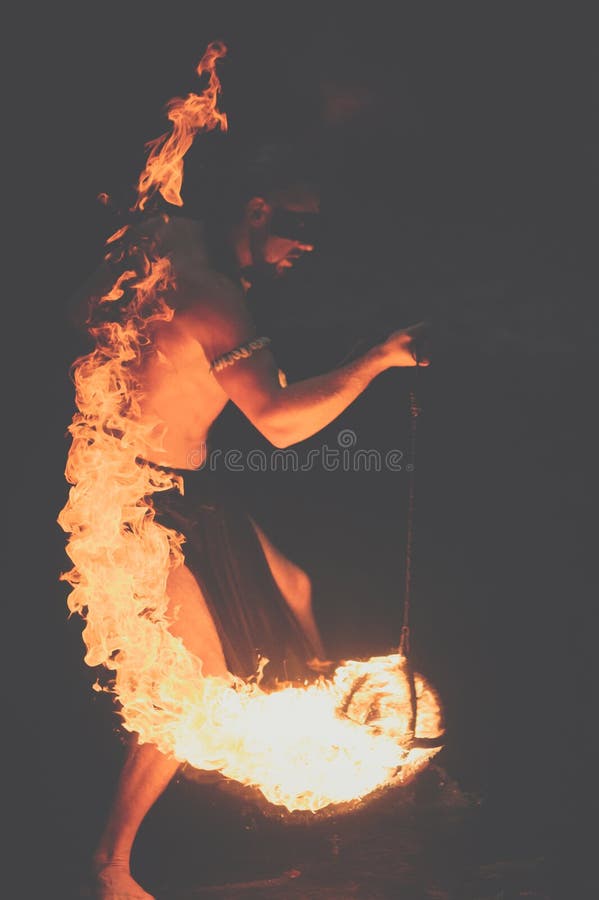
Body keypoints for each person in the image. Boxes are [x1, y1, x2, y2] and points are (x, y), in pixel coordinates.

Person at [73, 142, 429, 899]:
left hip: (181, 489)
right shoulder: (214, 298)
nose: (306, 246)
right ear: (256, 210)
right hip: (139, 503)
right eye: (299, 226)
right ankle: (108, 864)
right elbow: (276, 421)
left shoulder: (173, 268)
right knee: (187, 687)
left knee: (293, 586)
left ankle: (318, 739)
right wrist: (376, 360)